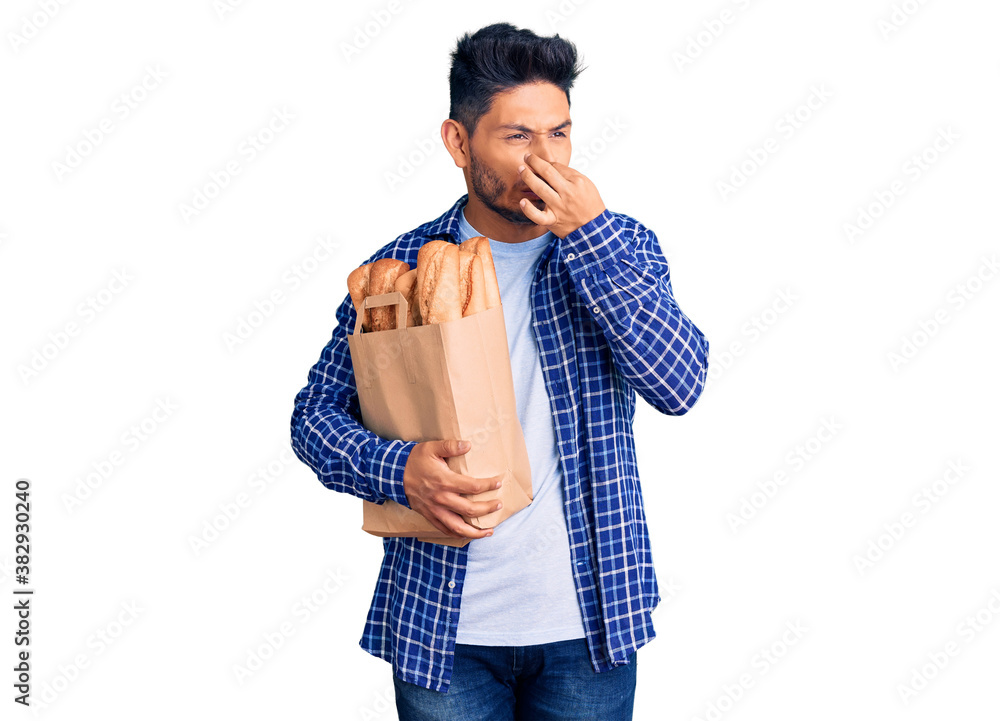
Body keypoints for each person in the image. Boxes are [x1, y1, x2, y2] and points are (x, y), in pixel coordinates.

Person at [289, 22, 710, 721]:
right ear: (459, 143)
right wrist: (397, 470)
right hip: (442, 631)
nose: (547, 160)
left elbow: (679, 382)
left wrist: (589, 234)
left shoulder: (622, 243)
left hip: (589, 625)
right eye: (518, 137)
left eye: (560, 134)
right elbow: (315, 418)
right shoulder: (399, 267)